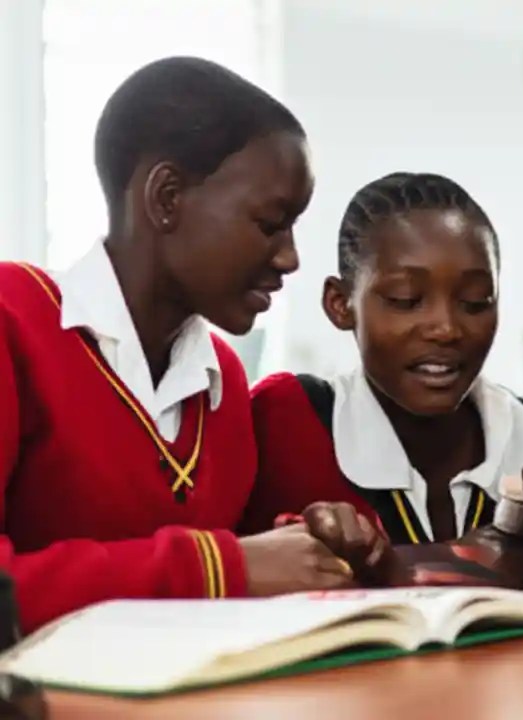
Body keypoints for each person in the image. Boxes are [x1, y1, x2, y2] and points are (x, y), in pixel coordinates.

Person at [0, 57, 382, 633]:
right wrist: (223, 567)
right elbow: (217, 569)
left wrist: (305, 546)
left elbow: (226, 579)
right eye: (270, 222)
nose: (290, 258)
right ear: (167, 197)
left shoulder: (224, 384)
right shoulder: (14, 319)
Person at [245, 172, 523, 578]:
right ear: (340, 304)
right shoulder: (282, 423)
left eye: (476, 302)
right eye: (406, 300)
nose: (445, 328)